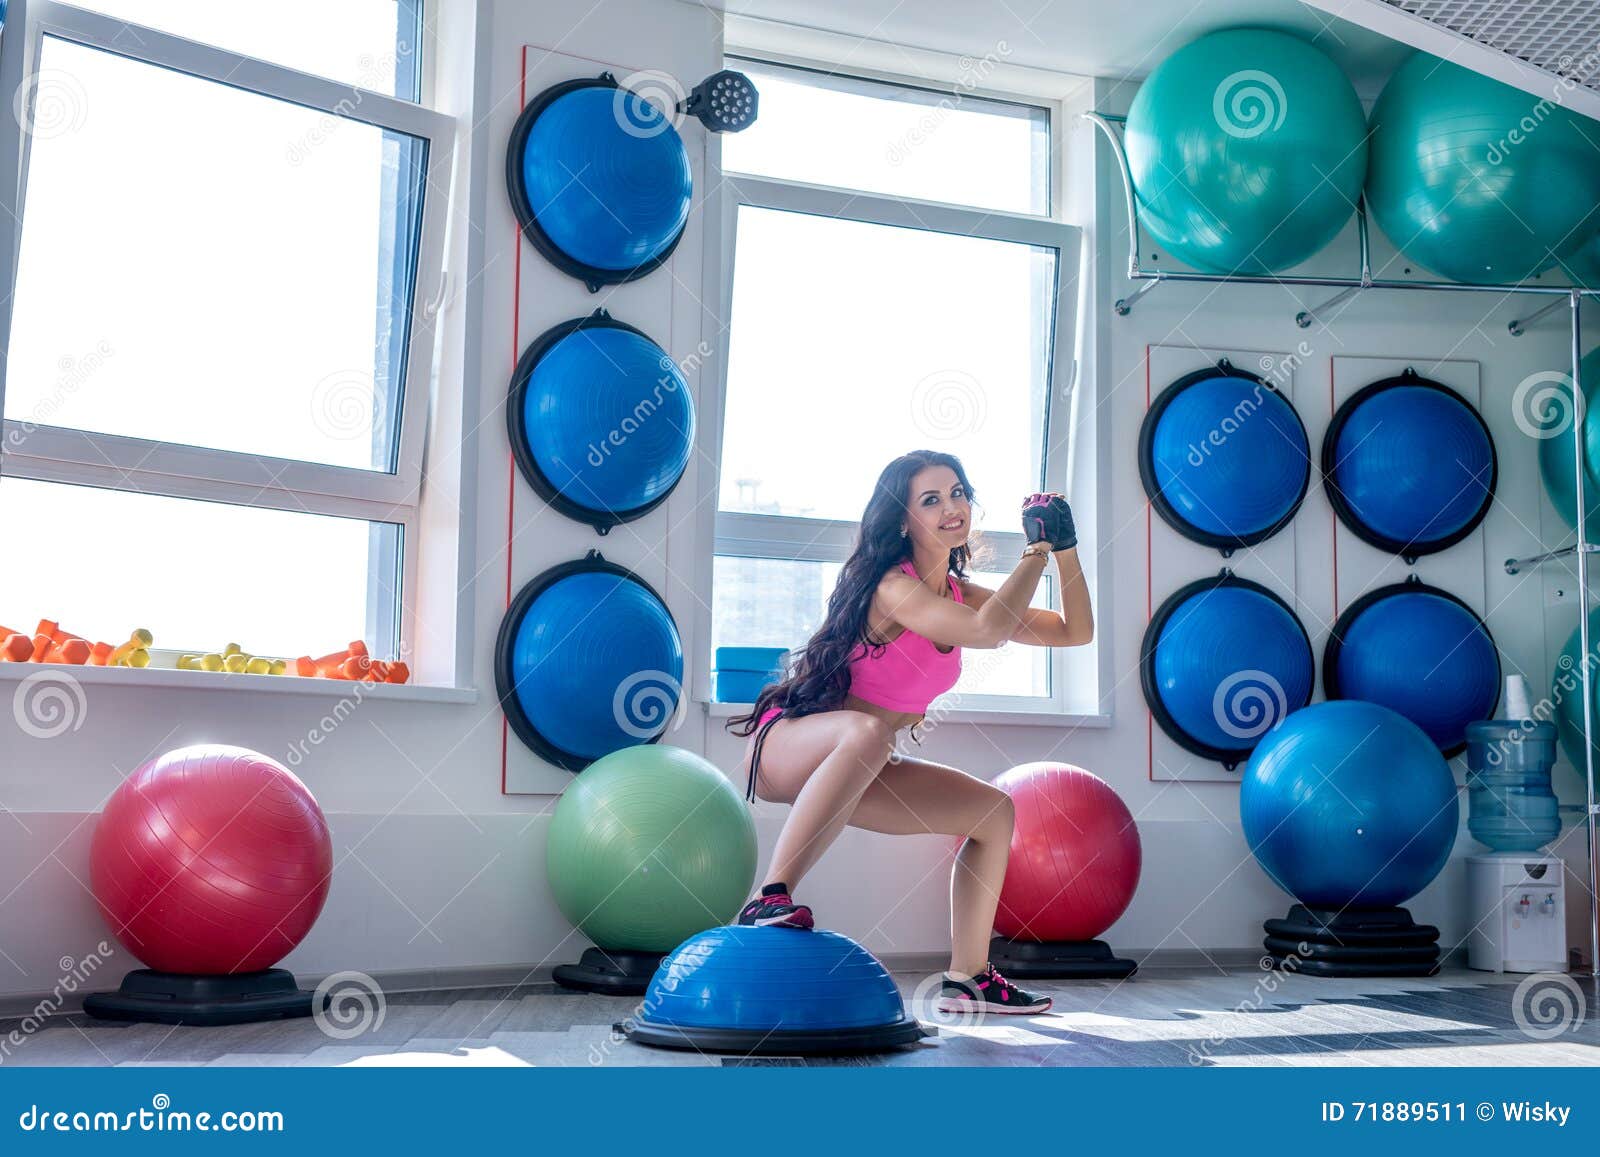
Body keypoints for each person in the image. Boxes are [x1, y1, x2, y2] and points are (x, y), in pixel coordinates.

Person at [727, 450, 1093, 1015]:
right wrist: (1035, 552)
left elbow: (1074, 633)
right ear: (903, 520)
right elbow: (985, 632)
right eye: (931, 499)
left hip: (862, 761)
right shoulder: (891, 589)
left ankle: (969, 978)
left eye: (958, 493)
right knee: (870, 733)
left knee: (993, 813)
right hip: (790, 746)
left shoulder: (957, 592)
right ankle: (769, 897)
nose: (951, 507)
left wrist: (1065, 552)